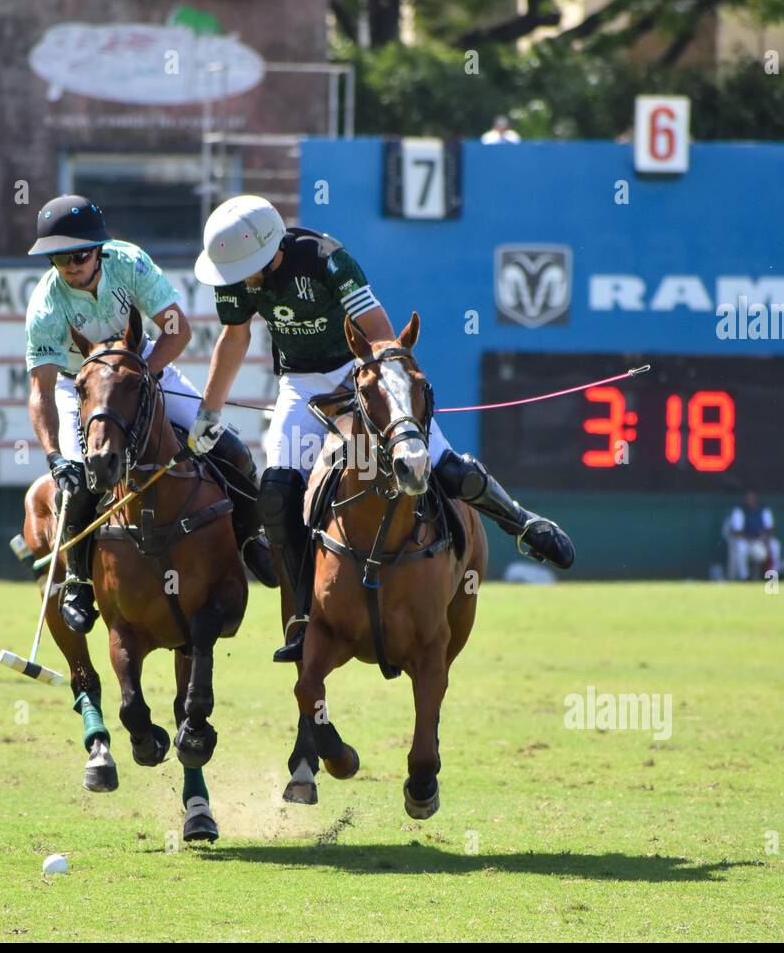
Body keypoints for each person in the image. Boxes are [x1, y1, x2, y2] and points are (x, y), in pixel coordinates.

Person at [189, 195, 574, 662]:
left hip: (361, 366)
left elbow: (375, 328)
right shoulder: (235, 273)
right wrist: (209, 412)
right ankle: (300, 619)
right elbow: (235, 336)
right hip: (301, 382)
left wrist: (385, 394)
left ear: (271, 247)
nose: (240, 279)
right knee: (276, 493)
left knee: (444, 467)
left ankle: (523, 523)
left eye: (246, 268)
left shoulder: (328, 260)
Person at [23, 193, 276, 636]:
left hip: (143, 368)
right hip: (77, 385)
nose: (70, 267)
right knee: (76, 482)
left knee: (225, 445)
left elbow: (177, 328)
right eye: (58, 259)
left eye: (79, 255)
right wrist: (53, 458)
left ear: (98, 248)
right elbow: (41, 390)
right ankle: (81, 581)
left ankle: (252, 536)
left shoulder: (130, 263)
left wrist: (140, 375)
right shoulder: (46, 305)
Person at [726, 491, 780, 580]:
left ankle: (772, 575)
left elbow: (770, 528)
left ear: (756, 499)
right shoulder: (740, 510)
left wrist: (765, 538)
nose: (750, 500)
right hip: (746, 541)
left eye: (752, 498)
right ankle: (744, 577)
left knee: (775, 545)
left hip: (761, 540)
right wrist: (750, 539)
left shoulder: (763, 509)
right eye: (748, 498)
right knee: (740, 547)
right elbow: (736, 531)